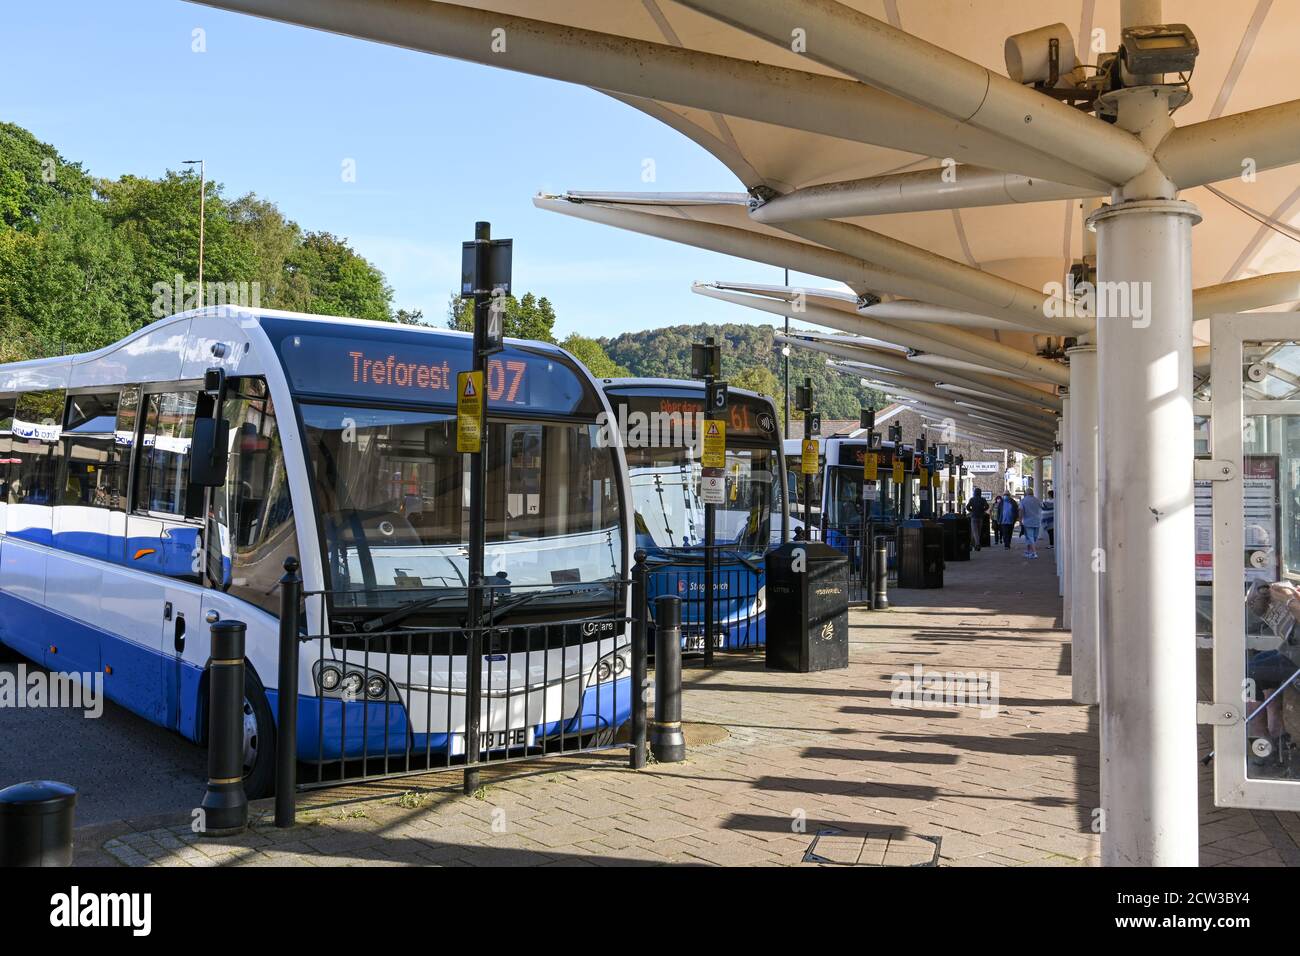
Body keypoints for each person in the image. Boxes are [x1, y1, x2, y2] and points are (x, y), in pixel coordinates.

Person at [1019, 486, 1043, 559]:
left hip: (1027, 522)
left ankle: (1031, 552)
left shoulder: (1023, 501)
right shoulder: (1037, 500)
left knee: (1030, 537)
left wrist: (1020, 520)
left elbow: (1021, 510)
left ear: (1026, 493)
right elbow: (1041, 508)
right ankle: (1030, 552)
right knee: (1033, 537)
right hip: (1037, 521)